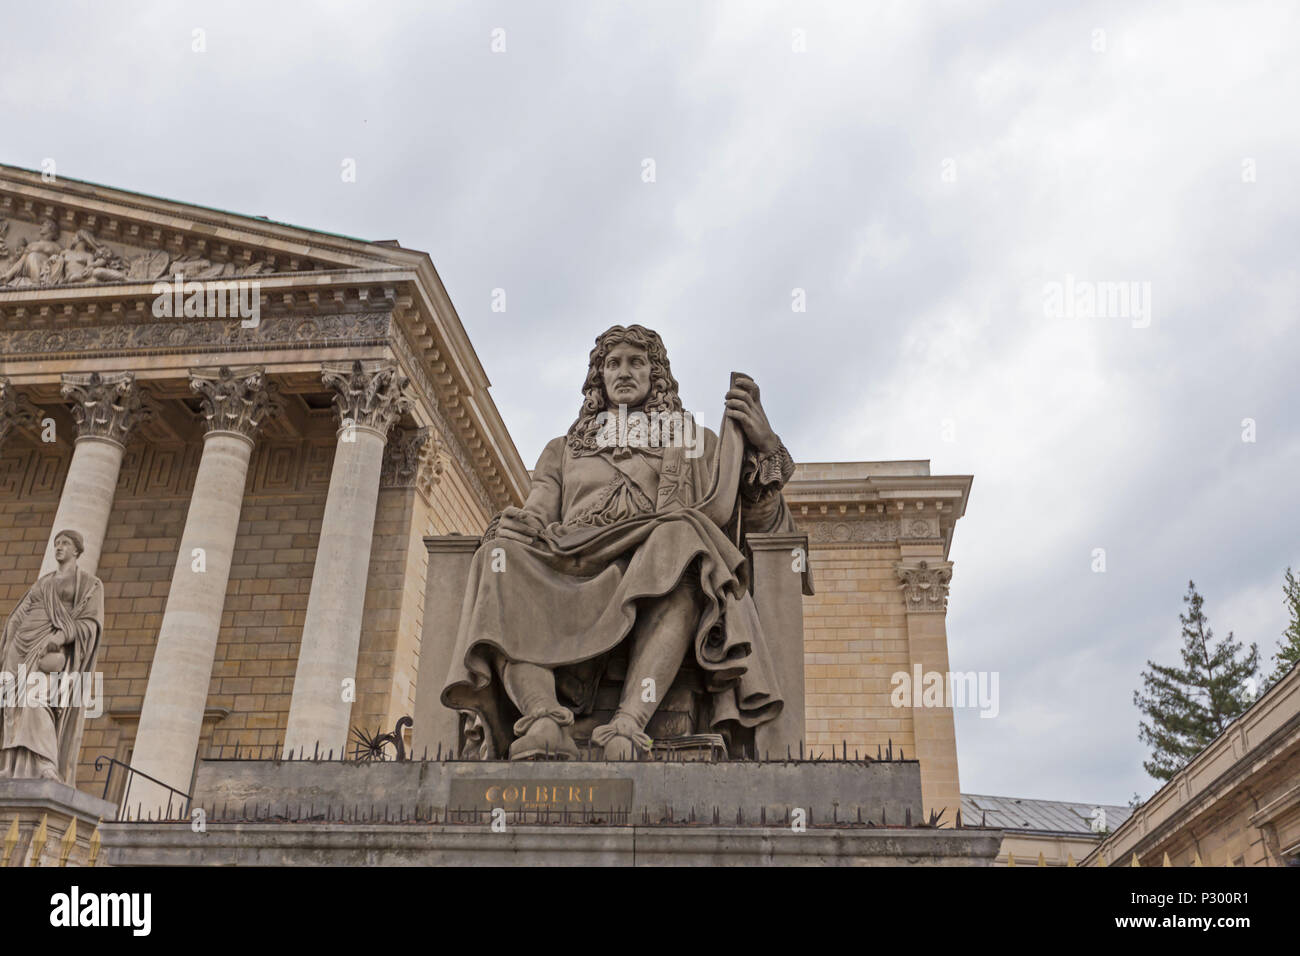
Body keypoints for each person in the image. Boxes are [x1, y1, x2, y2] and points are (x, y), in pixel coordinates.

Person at [441, 325, 796, 759]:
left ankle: (628, 726)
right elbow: (537, 511)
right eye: (612, 364)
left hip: (652, 565)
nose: (623, 372)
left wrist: (765, 447)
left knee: (682, 539)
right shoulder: (564, 449)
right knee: (498, 557)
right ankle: (544, 719)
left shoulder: (694, 442)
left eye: (636, 362)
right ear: (599, 378)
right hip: (571, 562)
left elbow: (754, 523)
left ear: (657, 374)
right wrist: (513, 527)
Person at [0, 530, 104, 782]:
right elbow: (20, 614)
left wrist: (60, 637)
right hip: (21, 646)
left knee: (39, 698)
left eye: (65, 544)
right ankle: (10, 764)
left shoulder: (90, 584)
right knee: (12, 704)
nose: (58, 548)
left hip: (51, 649)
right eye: (56, 543)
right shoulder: (43, 582)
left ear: (77, 550)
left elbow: (90, 623)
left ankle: (45, 762)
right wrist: (7, 645)